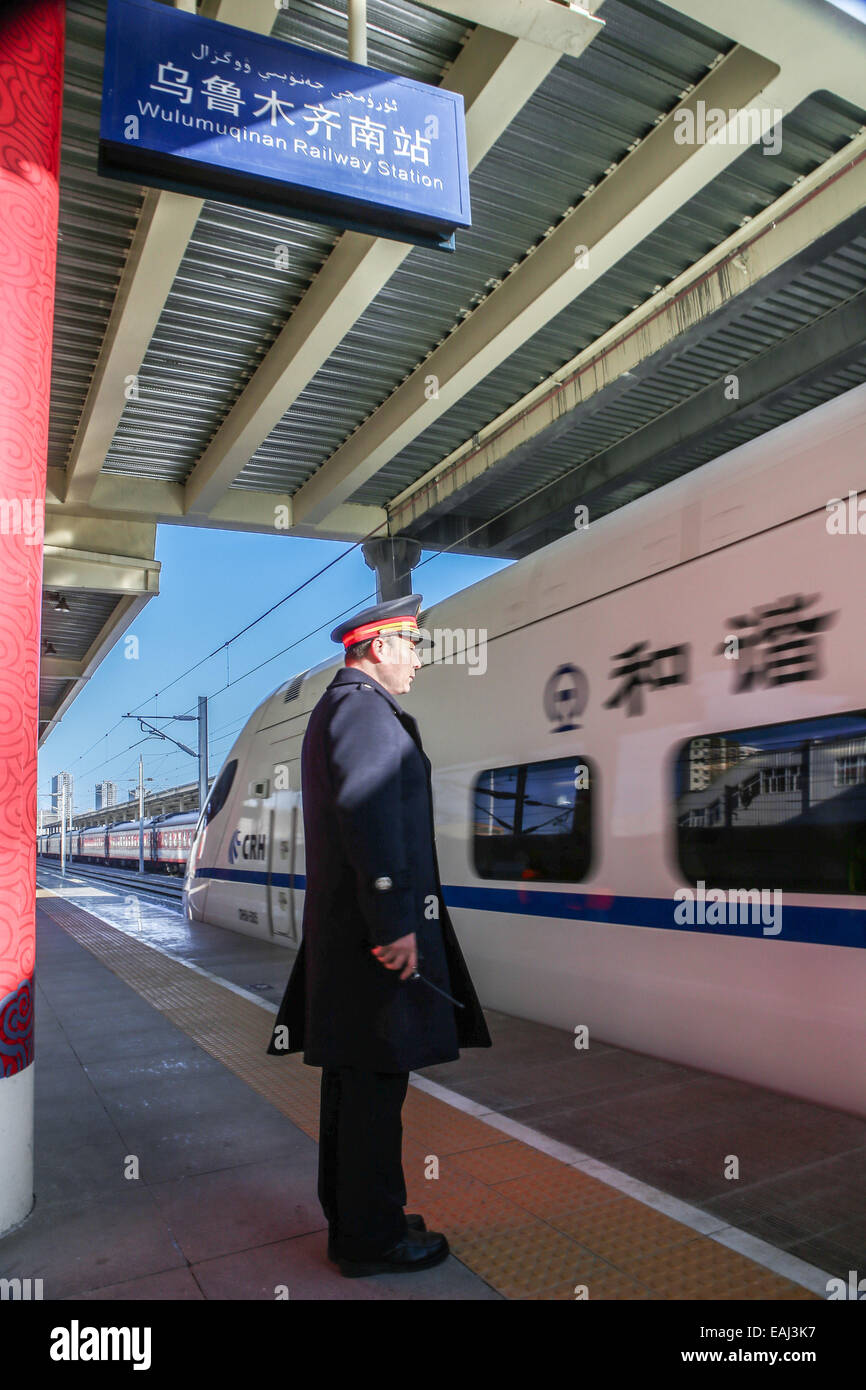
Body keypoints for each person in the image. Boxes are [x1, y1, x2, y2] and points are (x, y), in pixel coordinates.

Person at [267, 593, 491, 1277]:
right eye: (414, 646)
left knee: (357, 1086)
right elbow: (367, 820)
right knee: (373, 1094)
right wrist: (395, 926)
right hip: (372, 945)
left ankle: (361, 1218)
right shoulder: (364, 712)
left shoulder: (348, 709)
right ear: (379, 647)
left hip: (353, 941)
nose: (420, 661)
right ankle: (372, 1240)